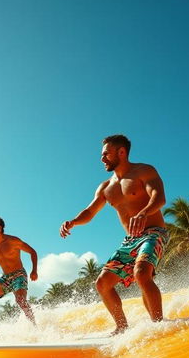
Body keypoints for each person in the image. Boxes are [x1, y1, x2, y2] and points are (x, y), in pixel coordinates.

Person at [60, 134, 168, 334]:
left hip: (154, 233)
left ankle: (159, 327)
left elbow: (159, 198)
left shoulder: (143, 171)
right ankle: (122, 328)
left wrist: (143, 213)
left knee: (142, 272)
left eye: (106, 154)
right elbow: (90, 211)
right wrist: (73, 222)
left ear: (121, 152)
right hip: (130, 240)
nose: (102, 159)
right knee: (102, 283)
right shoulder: (106, 187)